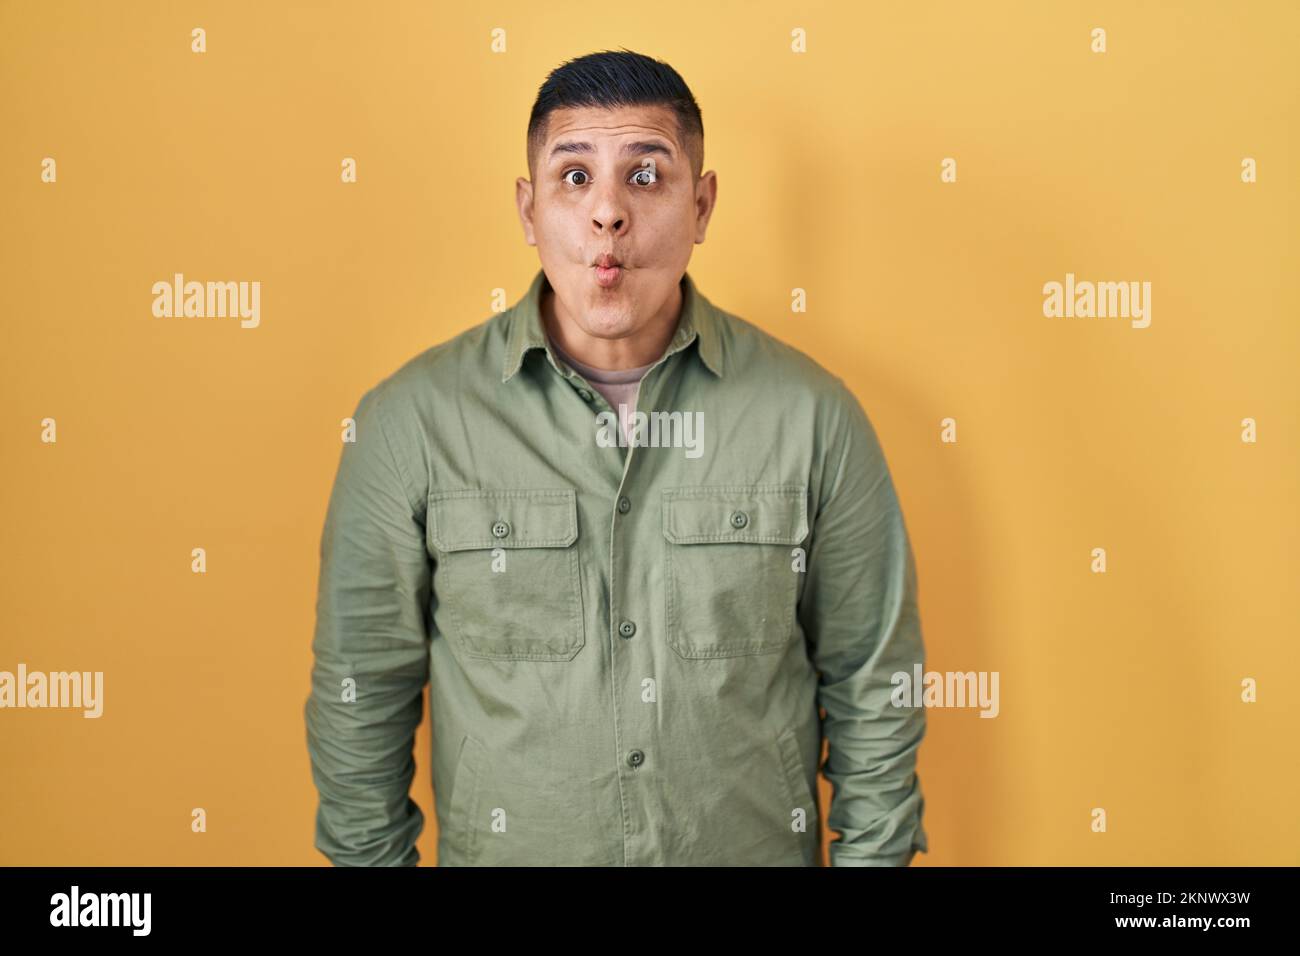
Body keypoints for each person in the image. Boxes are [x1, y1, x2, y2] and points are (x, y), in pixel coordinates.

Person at [304, 48, 929, 866]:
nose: (607, 214)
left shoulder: (814, 418)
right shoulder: (410, 424)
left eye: (645, 176)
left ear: (701, 206)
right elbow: (360, 701)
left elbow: (875, 683)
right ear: (528, 212)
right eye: (573, 177)